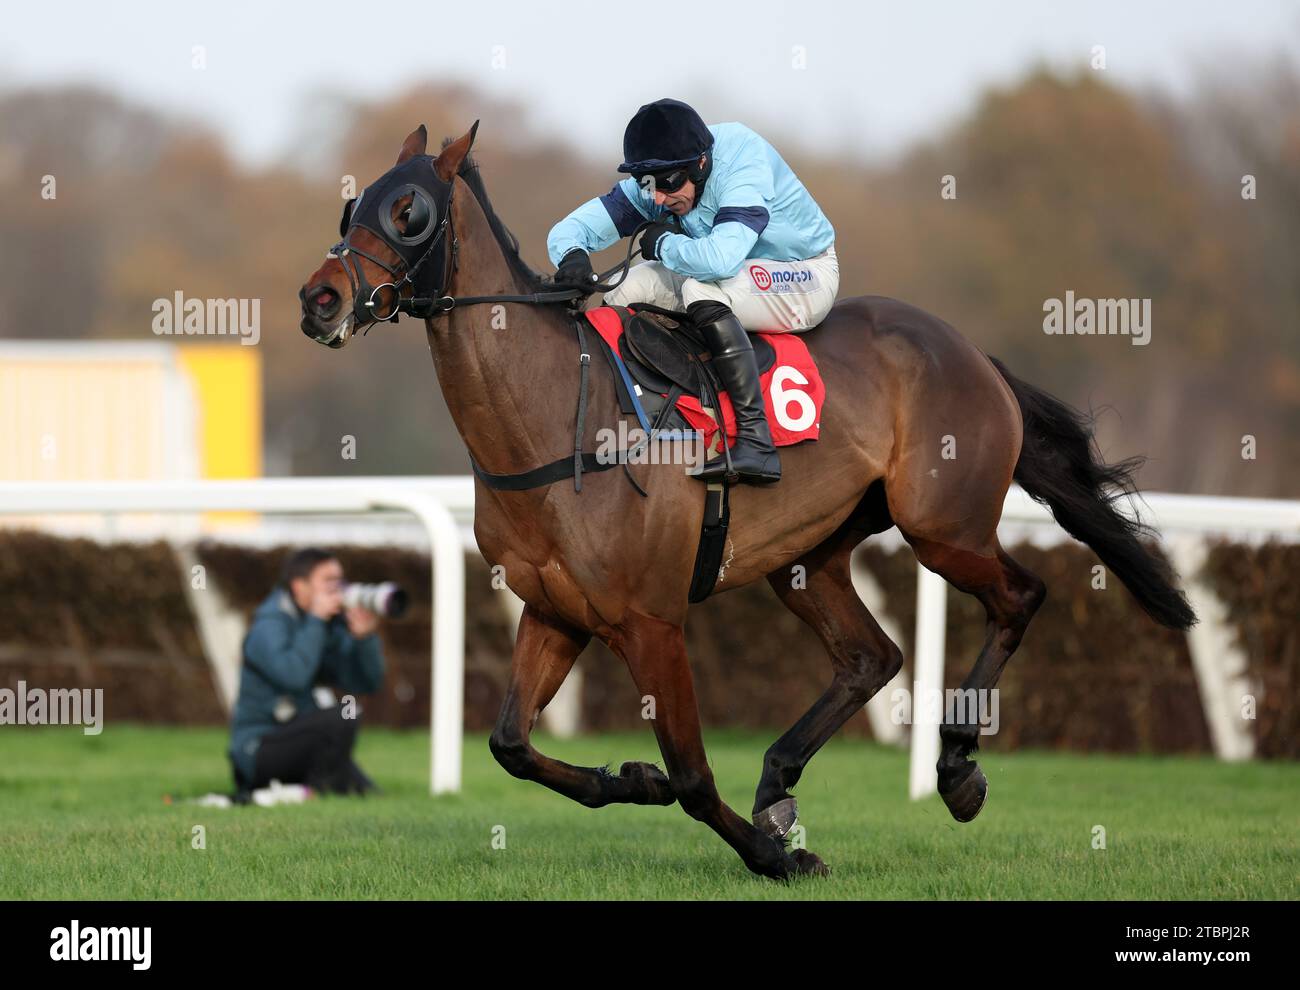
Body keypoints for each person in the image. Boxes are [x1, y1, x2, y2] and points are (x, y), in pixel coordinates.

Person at [547, 97, 839, 485]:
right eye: (647, 184)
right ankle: (644, 419)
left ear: (701, 163)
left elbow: (721, 260)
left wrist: (663, 245)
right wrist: (572, 257)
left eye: (669, 184)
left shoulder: (742, 160)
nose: (657, 198)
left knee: (704, 288)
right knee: (625, 288)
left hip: (804, 273)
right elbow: (568, 229)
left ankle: (756, 442)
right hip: (733, 275)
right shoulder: (659, 180)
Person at [227, 547, 384, 799]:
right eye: (329, 582)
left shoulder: (323, 625)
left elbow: (366, 683)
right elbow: (294, 675)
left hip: (300, 740)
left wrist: (364, 639)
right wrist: (316, 620)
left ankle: (311, 787)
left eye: (340, 581)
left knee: (367, 793)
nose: (338, 589)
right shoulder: (268, 626)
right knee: (343, 715)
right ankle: (315, 788)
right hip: (257, 750)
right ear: (299, 586)